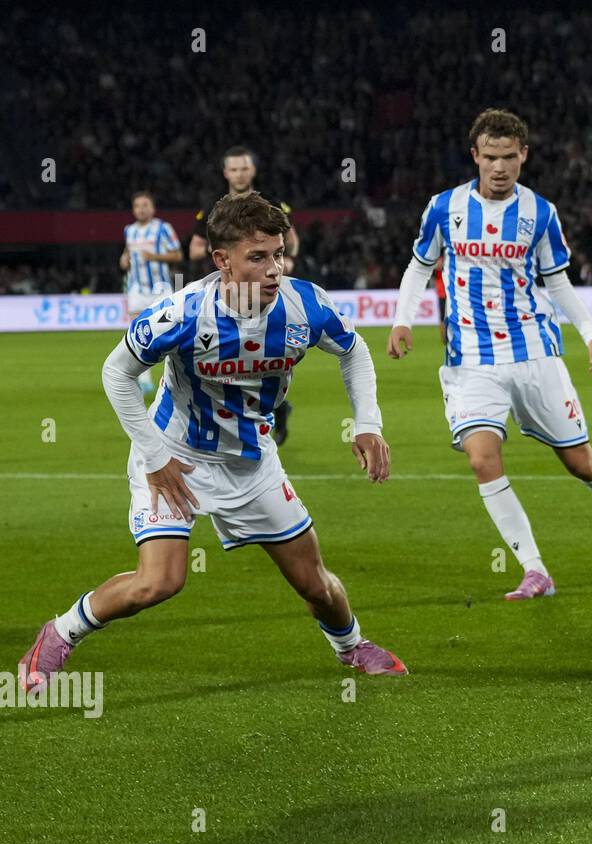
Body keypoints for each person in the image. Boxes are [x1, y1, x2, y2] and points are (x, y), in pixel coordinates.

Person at [20, 193, 406, 693]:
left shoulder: (305, 304)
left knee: (314, 582)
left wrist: (367, 423)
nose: (274, 270)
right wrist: (156, 458)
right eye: (258, 257)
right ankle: (60, 632)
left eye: (279, 254)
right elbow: (116, 373)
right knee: (158, 582)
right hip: (175, 456)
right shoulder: (182, 314)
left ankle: (350, 645)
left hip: (251, 461)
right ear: (222, 260)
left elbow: (354, 352)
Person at [388, 108, 592, 600]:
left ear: (523, 155)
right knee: (482, 459)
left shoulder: (541, 213)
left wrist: (590, 331)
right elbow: (419, 267)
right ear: (475, 156)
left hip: (535, 351)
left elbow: (557, 281)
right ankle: (535, 570)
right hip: (470, 358)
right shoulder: (444, 208)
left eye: (509, 157)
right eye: (490, 157)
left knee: (580, 463)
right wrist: (403, 318)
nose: (500, 167)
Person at [190, 146, 300, 444]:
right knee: (227, 354)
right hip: (225, 292)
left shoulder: (270, 205)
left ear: (252, 170)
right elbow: (196, 248)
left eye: (244, 168)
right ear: (226, 173)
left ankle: (269, 407)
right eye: (233, 169)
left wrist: (285, 261)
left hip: (262, 292)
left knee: (261, 351)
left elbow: (291, 241)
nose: (239, 174)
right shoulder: (213, 208)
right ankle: (261, 410)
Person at [121, 190, 182, 396]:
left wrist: (154, 256)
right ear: (133, 209)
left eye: (145, 205)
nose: (141, 209)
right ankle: (144, 380)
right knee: (137, 333)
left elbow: (177, 255)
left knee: (169, 333)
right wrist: (124, 260)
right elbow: (127, 254)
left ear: (153, 208)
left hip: (160, 288)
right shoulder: (129, 230)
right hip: (137, 288)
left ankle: (172, 378)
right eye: (138, 205)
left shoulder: (163, 228)